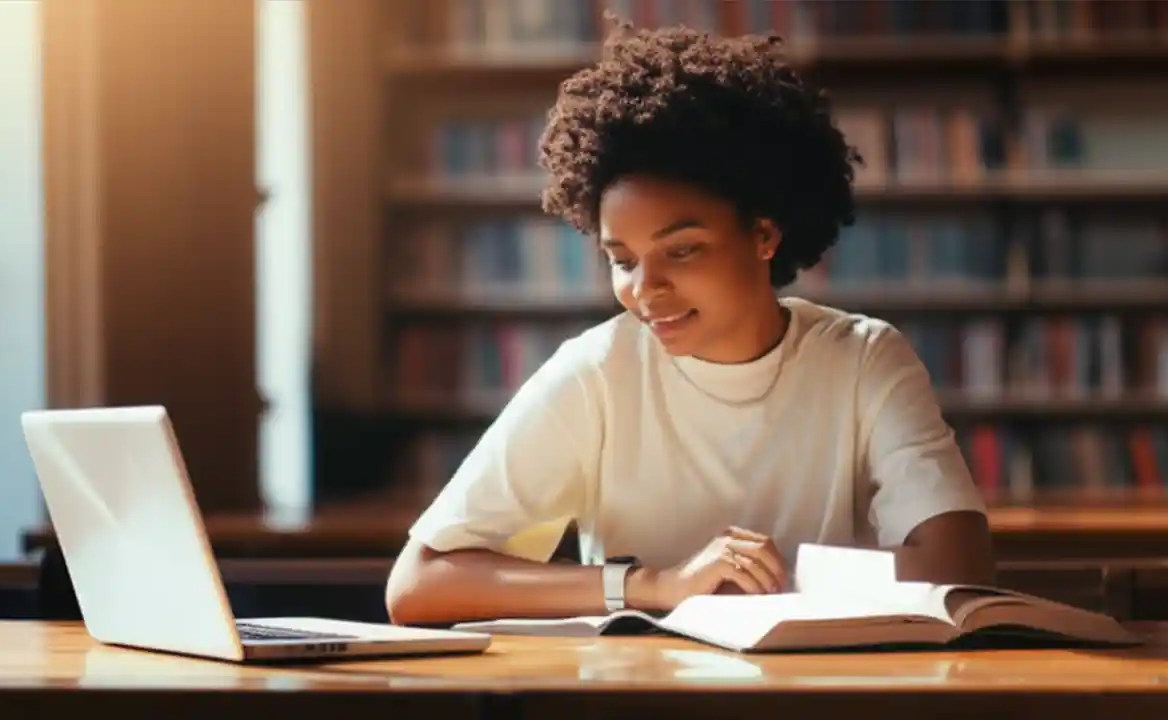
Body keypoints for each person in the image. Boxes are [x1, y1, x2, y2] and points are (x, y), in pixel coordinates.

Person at [386, 22, 994, 626]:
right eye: (621, 260)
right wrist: (655, 585)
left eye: (681, 251)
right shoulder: (597, 373)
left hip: (824, 689)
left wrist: (764, 577)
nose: (644, 290)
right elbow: (419, 582)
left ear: (763, 234)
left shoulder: (864, 359)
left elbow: (959, 565)